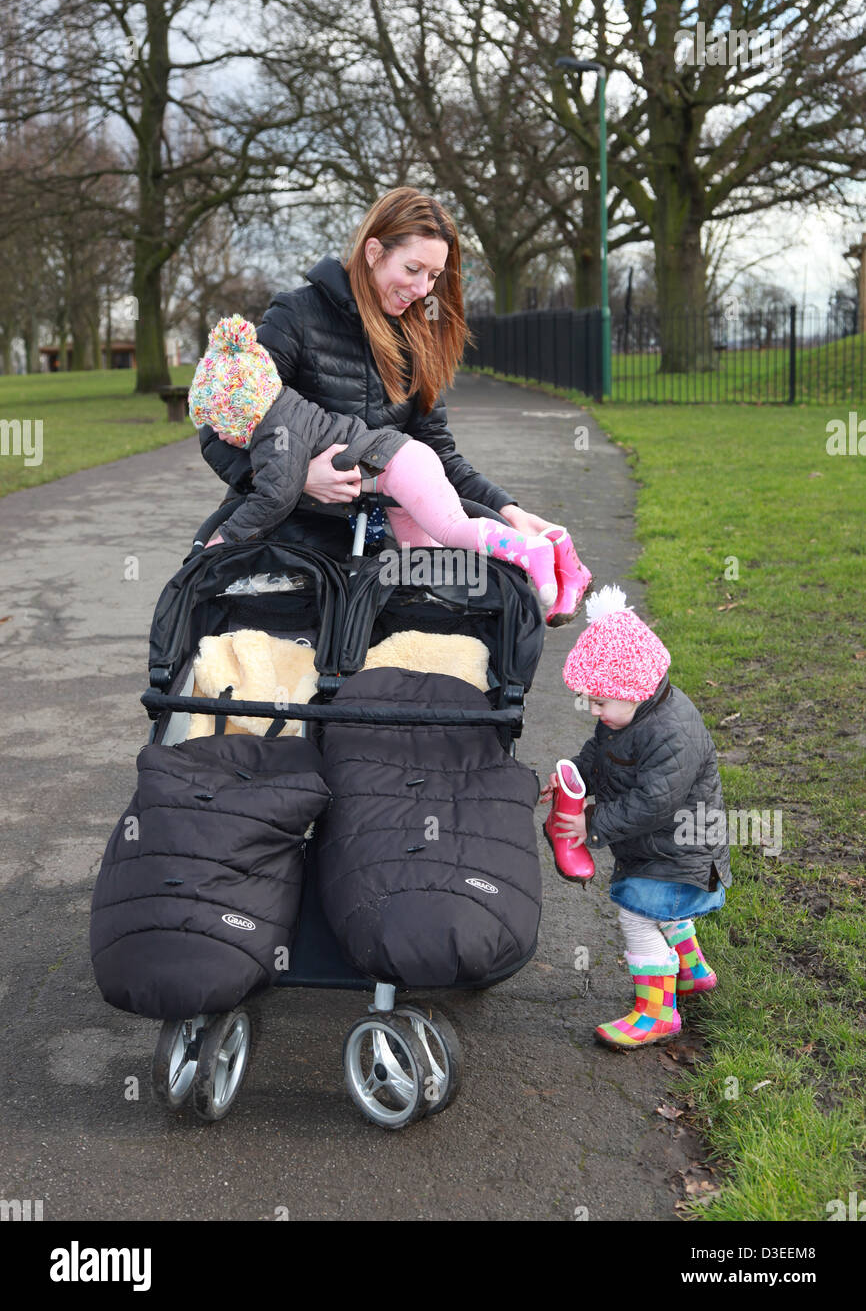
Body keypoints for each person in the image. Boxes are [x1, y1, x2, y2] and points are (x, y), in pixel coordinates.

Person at [192, 186, 591, 622]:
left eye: (434, 276)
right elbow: (222, 424)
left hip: (381, 536)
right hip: (291, 533)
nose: (423, 289)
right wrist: (300, 477)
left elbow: (434, 453)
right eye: (414, 269)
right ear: (374, 251)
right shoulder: (296, 317)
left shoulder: (419, 335)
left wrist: (508, 510)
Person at [188, 314, 591, 620]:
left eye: (224, 427)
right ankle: (443, 606)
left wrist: (224, 538)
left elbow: (274, 498)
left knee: (451, 528)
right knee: (422, 560)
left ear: (245, 412)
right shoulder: (281, 406)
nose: (220, 437)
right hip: (392, 483)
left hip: (399, 466)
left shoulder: (277, 431)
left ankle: (529, 551)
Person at [540, 586, 731, 1049]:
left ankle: (656, 1013)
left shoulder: (671, 733)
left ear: (636, 691)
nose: (593, 710)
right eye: (590, 700)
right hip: (662, 847)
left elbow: (654, 802)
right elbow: (598, 754)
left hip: (683, 851)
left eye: (600, 702)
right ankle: (694, 971)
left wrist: (594, 824)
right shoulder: (625, 714)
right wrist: (572, 773)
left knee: (638, 915)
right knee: (658, 908)